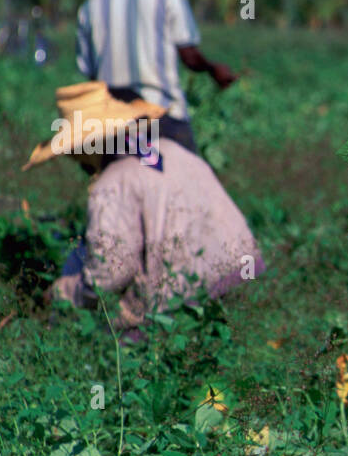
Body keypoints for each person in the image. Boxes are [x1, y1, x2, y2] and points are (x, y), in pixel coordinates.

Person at [24, 82, 264, 332]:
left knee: (111, 335)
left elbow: (110, 273)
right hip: (246, 274)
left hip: (192, 303)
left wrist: (63, 293)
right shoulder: (174, 152)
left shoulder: (113, 184)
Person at [76, 0, 237, 153]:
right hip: (164, 117)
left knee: (110, 182)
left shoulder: (90, 5)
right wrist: (212, 69)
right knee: (188, 182)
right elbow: (189, 56)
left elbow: (89, 70)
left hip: (113, 122)